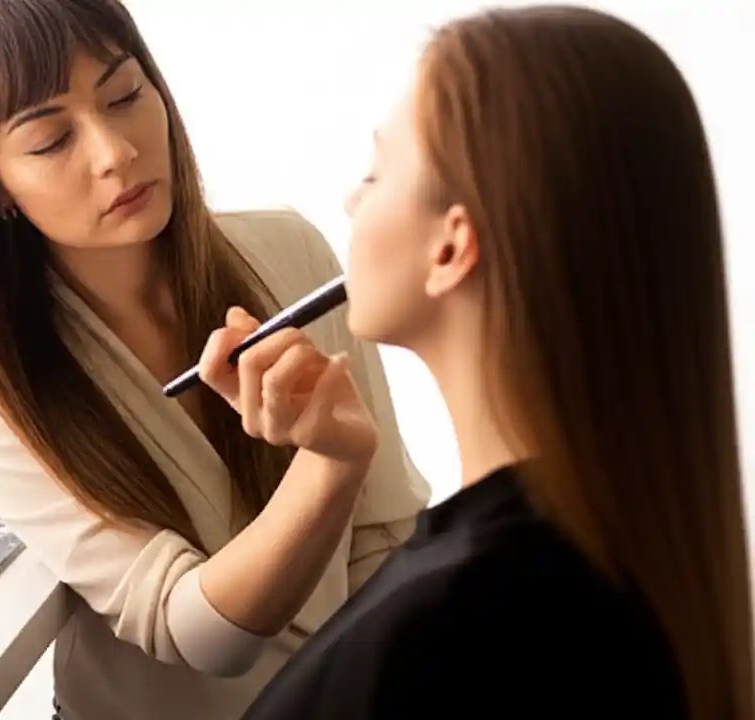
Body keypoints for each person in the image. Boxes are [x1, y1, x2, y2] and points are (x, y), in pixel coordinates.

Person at [199, 6, 751, 719]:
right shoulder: (636, 573)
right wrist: (335, 462)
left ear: (451, 246)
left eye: (376, 172)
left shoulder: (451, 629)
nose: (351, 199)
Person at [0, 1, 430, 718]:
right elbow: (201, 635)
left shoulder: (289, 252)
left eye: (125, 95)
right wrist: (330, 462)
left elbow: (384, 538)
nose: (114, 152)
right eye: (51, 140)